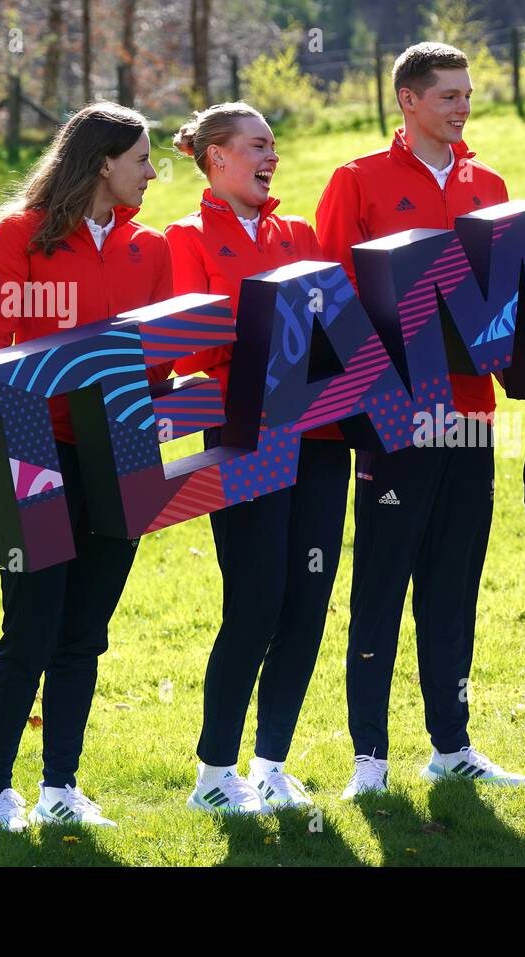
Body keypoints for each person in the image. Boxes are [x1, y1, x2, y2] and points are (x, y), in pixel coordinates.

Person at [314, 42, 525, 798]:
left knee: (453, 583)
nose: (462, 106)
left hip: (472, 418)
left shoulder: (492, 183)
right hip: (393, 422)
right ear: (408, 100)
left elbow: (512, 300)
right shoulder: (357, 181)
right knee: (380, 584)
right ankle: (368, 758)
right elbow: (332, 298)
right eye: (447, 95)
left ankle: (452, 744)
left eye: (467, 93)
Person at [0, 102, 170, 830]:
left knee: (87, 630)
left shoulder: (154, 249)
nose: (151, 172)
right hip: (33, 451)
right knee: (31, 627)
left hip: (125, 449)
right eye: (141, 159)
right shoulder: (21, 234)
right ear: (102, 162)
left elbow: (164, 356)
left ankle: (61, 790)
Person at [165, 102, 350, 815]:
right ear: (215, 157)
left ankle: (270, 763)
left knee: (307, 599)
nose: (271, 156)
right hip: (241, 438)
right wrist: (270, 338)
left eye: (274, 144)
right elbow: (188, 349)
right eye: (255, 146)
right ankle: (215, 774)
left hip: (321, 437)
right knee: (256, 599)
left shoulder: (300, 232)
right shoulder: (184, 236)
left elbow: (333, 326)